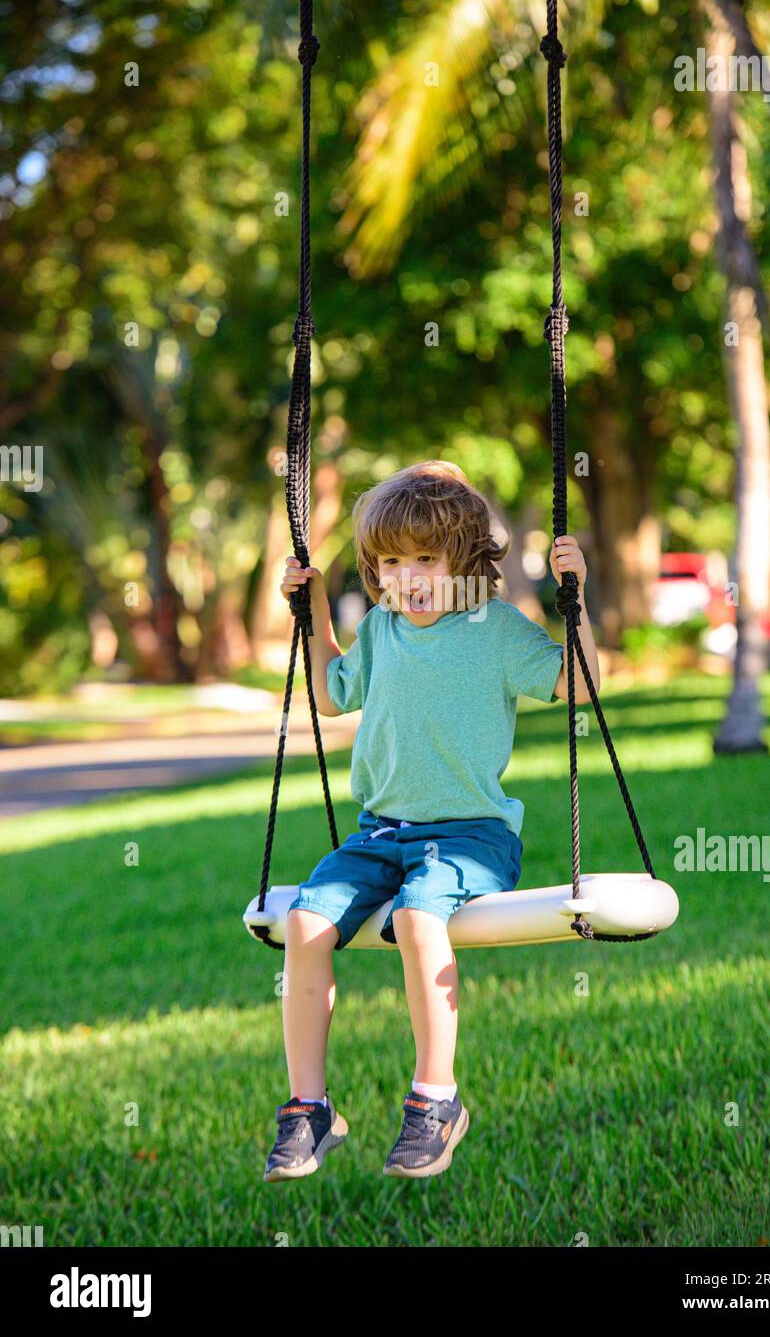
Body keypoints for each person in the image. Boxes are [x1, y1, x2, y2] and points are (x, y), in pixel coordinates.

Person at [263, 460, 600, 1181]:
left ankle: (435, 1099)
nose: (405, 575)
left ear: (464, 558)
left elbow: (576, 685)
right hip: (378, 832)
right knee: (303, 922)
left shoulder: (494, 630)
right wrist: (313, 607)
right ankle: (309, 1107)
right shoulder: (382, 630)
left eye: (424, 558)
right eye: (389, 561)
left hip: (471, 836)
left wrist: (578, 604)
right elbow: (329, 695)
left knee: (418, 919)